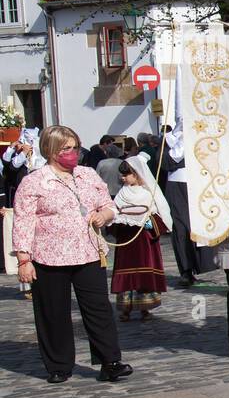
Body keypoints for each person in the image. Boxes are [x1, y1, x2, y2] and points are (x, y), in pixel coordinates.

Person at [11, 125, 133, 384]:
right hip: (49, 255)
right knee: (53, 311)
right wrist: (24, 259)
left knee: (98, 309)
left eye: (75, 147)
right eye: (66, 148)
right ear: (51, 150)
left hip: (88, 252)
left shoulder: (87, 175)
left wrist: (104, 215)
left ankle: (109, 361)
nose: (72, 152)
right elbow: (23, 221)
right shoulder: (34, 181)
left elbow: (109, 204)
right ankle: (58, 364)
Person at [109, 154, 172, 320]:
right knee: (127, 272)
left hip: (144, 240)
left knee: (143, 272)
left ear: (136, 174)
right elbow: (115, 212)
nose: (123, 178)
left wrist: (148, 222)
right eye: (122, 175)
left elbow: (159, 214)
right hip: (127, 240)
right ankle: (125, 309)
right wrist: (118, 220)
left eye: (126, 174)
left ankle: (146, 307)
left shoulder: (148, 194)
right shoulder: (122, 194)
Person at [162, 122, 218, 287]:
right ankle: (186, 270)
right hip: (178, 185)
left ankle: (202, 263)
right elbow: (167, 162)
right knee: (182, 228)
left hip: (199, 182)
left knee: (203, 223)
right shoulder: (168, 141)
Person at [2, 128, 43, 298]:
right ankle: (27, 285)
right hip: (21, 204)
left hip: (40, 206)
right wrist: (19, 152)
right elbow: (9, 168)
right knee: (24, 244)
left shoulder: (41, 160)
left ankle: (42, 282)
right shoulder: (16, 160)